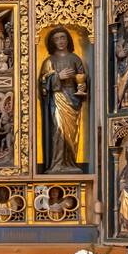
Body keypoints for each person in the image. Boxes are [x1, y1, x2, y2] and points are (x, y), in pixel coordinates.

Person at [38, 26, 87, 173]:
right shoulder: (49, 61)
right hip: (57, 98)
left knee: (71, 133)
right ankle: (57, 164)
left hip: (73, 99)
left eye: (63, 37)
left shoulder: (75, 58)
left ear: (68, 39)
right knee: (58, 131)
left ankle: (70, 163)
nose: (60, 41)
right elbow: (43, 83)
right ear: (52, 42)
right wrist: (58, 76)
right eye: (56, 39)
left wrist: (82, 86)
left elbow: (82, 78)